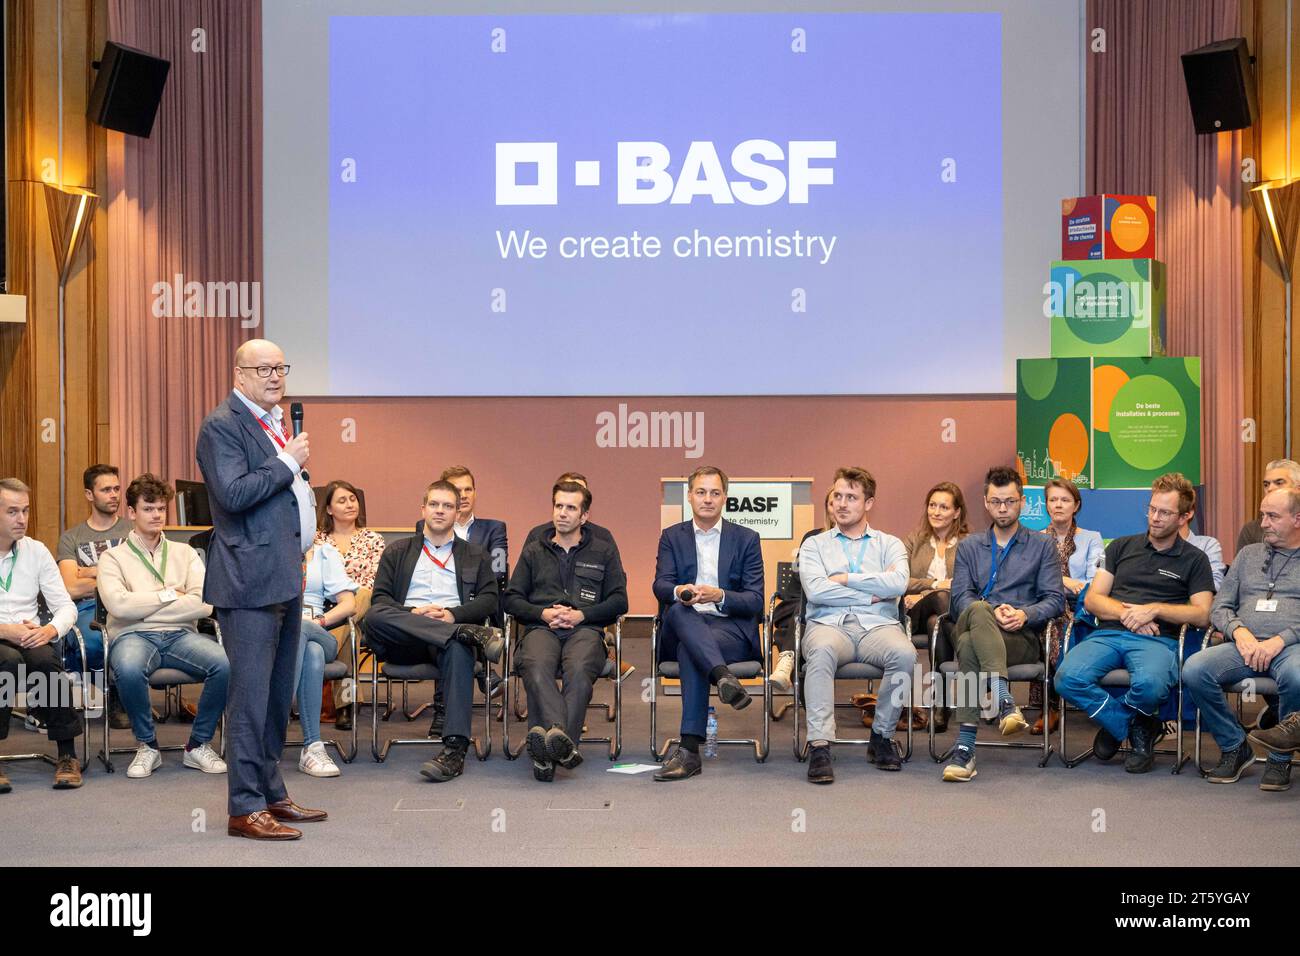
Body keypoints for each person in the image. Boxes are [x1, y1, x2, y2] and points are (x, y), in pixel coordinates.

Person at [195, 338, 326, 841]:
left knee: (275, 696)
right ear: (239, 374)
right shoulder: (222, 425)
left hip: (283, 576)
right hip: (248, 582)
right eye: (264, 368)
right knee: (250, 698)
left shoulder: (272, 423)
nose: (275, 376)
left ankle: (271, 791)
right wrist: (288, 463)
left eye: (281, 367)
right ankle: (243, 807)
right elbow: (232, 496)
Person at [1055, 473, 1215, 774]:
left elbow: (1202, 613)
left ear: (1186, 515)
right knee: (1066, 679)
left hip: (1158, 639)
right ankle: (1135, 727)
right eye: (1152, 508)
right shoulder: (1120, 547)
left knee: (1151, 685)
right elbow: (1093, 599)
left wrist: (1153, 610)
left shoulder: (1195, 560)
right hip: (1110, 633)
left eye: (1165, 512)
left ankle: (1121, 725)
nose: (1155, 518)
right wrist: (1131, 615)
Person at [361, 480, 502, 782]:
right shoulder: (397, 551)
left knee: (458, 648)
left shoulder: (475, 554)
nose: (440, 511)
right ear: (423, 508)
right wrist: (414, 613)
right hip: (406, 636)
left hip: (449, 631)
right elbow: (381, 600)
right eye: (434, 505)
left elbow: (490, 600)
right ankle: (464, 634)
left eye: (447, 506)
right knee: (373, 616)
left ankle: (454, 749)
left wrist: (452, 615)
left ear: (457, 511)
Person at [97, 475, 228, 779]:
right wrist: (170, 595)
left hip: (181, 635)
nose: (156, 515)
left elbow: (205, 604)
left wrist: (143, 608)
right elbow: (118, 607)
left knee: (224, 663)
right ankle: (148, 746)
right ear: (132, 513)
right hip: (132, 636)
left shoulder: (186, 554)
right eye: (148, 509)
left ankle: (197, 745)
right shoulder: (112, 557)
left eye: (160, 509)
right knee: (128, 669)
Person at [942, 466, 1065, 782]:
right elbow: (959, 600)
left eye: (1010, 501)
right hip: (978, 622)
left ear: (1022, 501)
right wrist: (990, 611)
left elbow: (1054, 599)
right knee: (979, 611)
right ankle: (1004, 700)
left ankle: (965, 748)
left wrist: (1025, 614)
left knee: (969, 646)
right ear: (985, 502)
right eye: (996, 502)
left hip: (1019, 638)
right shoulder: (969, 546)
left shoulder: (1042, 545)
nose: (1003, 508)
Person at [506, 480, 628, 781]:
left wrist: (581, 615)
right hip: (541, 629)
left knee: (579, 668)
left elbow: (619, 600)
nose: (562, 513)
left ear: (584, 516)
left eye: (571, 508)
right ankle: (563, 745)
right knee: (534, 666)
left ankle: (547, 753)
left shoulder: (603, 551)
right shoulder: (534, 550)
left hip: (585, 629)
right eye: (558, 506)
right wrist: (542, 613)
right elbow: (510, 598)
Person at [799, 467, 913, 783]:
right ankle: (820, 744)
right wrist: (871, 595)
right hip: (829, 625)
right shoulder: (814, 545)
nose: (842, 503)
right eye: (837, 496)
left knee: (904, 655)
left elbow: (899, 583)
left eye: (851, 497)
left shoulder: (890, 544)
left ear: (869, 503)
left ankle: (881, 736)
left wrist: (847, 578)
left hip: (879, 627)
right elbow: (816, 590)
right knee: (819, 652)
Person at [651, 466, 764, 782]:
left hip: (728, 629)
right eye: (701, 492)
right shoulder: (672, 536)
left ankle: (689, 750)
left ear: (725, 498)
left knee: (692, 650)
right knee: (678, 610)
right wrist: (683, 592)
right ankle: (723, 676)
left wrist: (720, 594)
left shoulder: (746, 539)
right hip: (684, 621)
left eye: (715, 493)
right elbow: (661, 585)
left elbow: (755, 599)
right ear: (689, 496)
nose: (708, 499)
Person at [1184, 487, 1300, 790]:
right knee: (1194, 669)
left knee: (1298, 676)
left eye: (1273, 516)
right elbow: (1219, 607)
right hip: (1243, 646)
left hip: (1290, 648)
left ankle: (1279, 758)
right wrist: (1240, 631)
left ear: (1297, 519)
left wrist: (1280, 639)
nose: (1262, 523)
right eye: (1262, 514)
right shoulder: (1248, 555)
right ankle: (1235, 745)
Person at [0, 478, 83, 791]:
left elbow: (66, 607)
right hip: (1, 637)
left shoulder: (36, 552)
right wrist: (5, 629)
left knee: (46, 663)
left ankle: (67, 755)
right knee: (7, 662)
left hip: (32, 635)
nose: (22, 519)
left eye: (25, 511)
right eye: (12, 511)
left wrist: (49, 629)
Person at [1028, 477, 1103, 734]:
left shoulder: (1092, 538)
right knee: (1045, 625)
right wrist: (1065, 581)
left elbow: (1093, 582)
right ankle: (1050, 706)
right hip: (1044, 604)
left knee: (1058, 626)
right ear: (1046, 505)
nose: (1058, 505)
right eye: (1053, 500)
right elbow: (1031, 581)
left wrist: (1061, 583)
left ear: (1076, 505)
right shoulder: (1034, 539)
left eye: (1064, 500)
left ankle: (1054, 703)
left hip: (1079, 607)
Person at [56, 464, 131, 725]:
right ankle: (116, 694)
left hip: (128, 605)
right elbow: (70, 587)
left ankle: (122, 694)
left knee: (134, 638)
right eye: (106, 490)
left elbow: (138, 582)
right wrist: (115, 576)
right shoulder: (71, 538)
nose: (114, 495)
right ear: (89, 495)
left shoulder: (132, 533)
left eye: (117, 489)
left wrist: (89, 571)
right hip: (88, 608)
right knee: (94, 642)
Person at [314, 479, 385, 730]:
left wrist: (347, 601)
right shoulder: (317, 541)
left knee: (361, 596)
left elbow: (376, 583)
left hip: (365, 611)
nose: (349, 504)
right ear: (329, 509)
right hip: (326, 607)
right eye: (342, 500)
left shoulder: (372, 539)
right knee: (349, 633)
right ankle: (347, 704)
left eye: (352, 499)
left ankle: (325, 645)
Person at [902, 481, 970, 731]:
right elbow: (901, 580)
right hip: (913, 613)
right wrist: (935, 585)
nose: (936, 512)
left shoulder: (969, 544)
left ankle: (940, 704)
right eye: (932, 505)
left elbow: (968, 583)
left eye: (944, 507)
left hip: (944, 616)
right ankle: (969, 653)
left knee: (937, 623)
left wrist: (922, 592)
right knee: (942, 597)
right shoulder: (914, 541)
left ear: (957, 512)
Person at [294, 540, 357, 777]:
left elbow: (349, 604)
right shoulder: (270, 548)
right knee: (312, 653)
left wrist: (319, 622)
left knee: (304, 633)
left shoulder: (323, 553)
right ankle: (312, 747)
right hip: (279, 636)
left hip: (320, 629)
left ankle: (272, 727)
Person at [1238, 459, 1300, 551]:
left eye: (1279, 483)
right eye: (1266, 484)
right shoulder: (1252, 530)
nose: (1270, 488)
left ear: (1298, 489)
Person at [1179, 486, 1226, 589]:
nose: (1156, 518)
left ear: (1189, 514)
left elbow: (1215, 586)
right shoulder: (1147, 546)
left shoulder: (1207, 546)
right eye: (1153, 510)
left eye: (1165, 512)